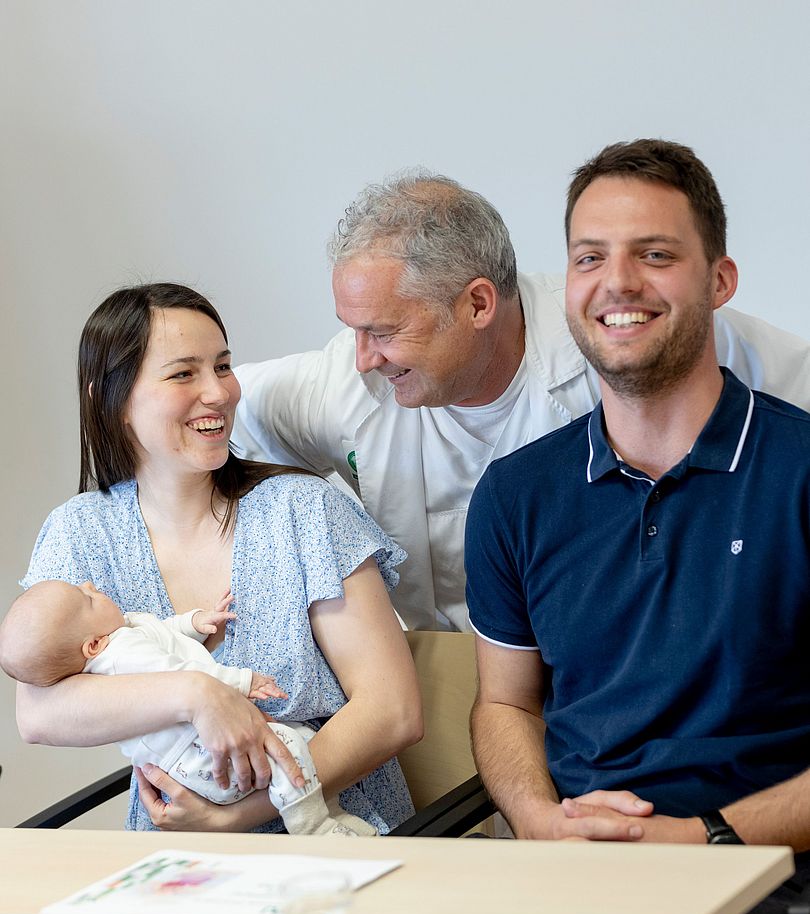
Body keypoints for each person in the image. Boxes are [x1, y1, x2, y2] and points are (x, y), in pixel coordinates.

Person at [464, 139, 810, 914]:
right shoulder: (516, 495)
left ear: (720, 278)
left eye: (655, 254)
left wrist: (706, 838)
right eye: (589, 256)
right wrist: (539, 819)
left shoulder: (800, 472)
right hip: (569, 860)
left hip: (743, 865)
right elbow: (503, 705)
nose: (617, 282)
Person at [231, 168, 810, 632]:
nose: (364, 358)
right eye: (354, 330)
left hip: (609, 656)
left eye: (383, 331)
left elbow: (790, 382)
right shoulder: (345, 386)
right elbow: (224, 408)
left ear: (479, 305)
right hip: (457, 670)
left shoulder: (610, 330)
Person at [13, 283, 422, 834]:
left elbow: (393, 711)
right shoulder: (79, 531)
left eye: (223, 366)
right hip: (178, 847)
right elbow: (38, 713)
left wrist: (236, 818)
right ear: (109, 400)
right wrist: (197, 693)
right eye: (184, 373)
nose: (220, 393)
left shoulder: (304, 510)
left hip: (336, 827)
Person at [0, 581, 374, 836]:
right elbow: (186, 672)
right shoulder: (121, 657)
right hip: (199, 758)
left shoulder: (122, 634)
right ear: (94, 646)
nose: (89, 586)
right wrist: (243, 682)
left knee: (303, 746)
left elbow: (159, 631)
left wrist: (194, 623)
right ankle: (315, 829)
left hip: (188, 763)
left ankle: (329, 816)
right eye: (88, 600)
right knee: (292, 748)